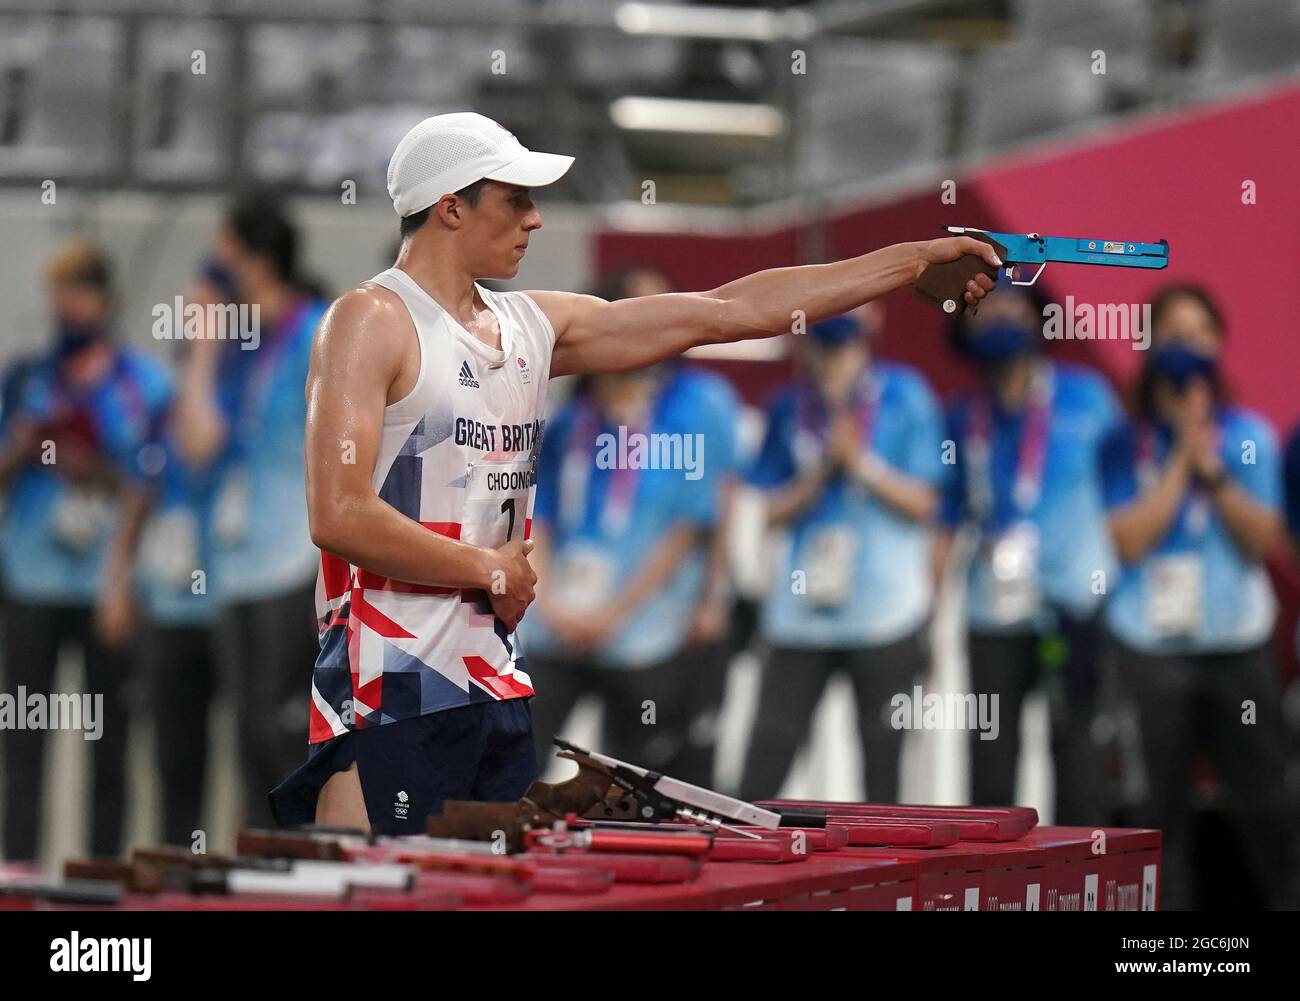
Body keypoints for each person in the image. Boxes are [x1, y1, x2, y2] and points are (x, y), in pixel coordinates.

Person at [267, 111, 999, 834]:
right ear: (451, 206)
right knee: (378, 889)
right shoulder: (371, 318)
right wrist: (487, 568)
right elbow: (339, 511)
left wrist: (906, 264)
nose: (536, 219)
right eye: (516, 199)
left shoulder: (531, 326)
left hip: (493, 678)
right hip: (388, 683)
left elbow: (726, 310)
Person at [1100, 283, 1290, 909]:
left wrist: (1213, 469)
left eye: (1200, 333)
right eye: (1173, 333)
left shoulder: (1249, 435)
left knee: (1266, 802)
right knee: (1161, 814)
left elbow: (1259, 538)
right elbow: (1128, 541)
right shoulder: (1123, 441)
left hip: (1237, 646)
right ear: (1151, 346)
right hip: (1151, 649)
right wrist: (1182, 454)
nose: (1187, 346)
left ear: (1220, 345)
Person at [0, 239, 170, 859]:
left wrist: (90, 464)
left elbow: (152, 484)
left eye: (80, 290)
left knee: (111, 744)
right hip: (30, 582)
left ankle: (99, 882)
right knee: (23, 744)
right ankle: (17, 875)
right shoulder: (25, 379)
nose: (67, 305)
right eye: (59, 291)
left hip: (106, 587)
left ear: (105, 299)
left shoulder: (143, 384)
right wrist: (27, 448)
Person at [738, 308, 944, 802]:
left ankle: (884, 873)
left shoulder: (905, 395)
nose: (834, 361)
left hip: (884, 612)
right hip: (800, 614)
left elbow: (928, 503)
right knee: (769, 750)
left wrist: (862, 465)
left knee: (882, 759)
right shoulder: (789, 405)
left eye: (845, 349)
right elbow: (764, 510)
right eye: (824, 348)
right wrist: (820, 469)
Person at [936, 283, 1121, 824]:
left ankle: (1083, 886)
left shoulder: (1088, 397)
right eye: (987, 308)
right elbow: (946, 515)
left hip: (1075, 607)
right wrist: (928, 613)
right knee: (991, 764)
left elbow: (1123, 498)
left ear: (1041, 322)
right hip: (993, 610)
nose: (1001, 316)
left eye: (1015, 307)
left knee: (1079, 753)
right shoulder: (962, 413)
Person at [172, 195, 328, 828]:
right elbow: (198, 444)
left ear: (258, 263)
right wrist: (202, 350)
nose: (211, 271)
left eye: (224, 255)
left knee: (282, 728)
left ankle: (307, 868)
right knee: (246, 737)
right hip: (233, 563)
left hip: (294, 560)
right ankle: (259, 875)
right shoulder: (234, 347)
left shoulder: (318, 330)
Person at [523, 363, 720, 773]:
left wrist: (612, 616)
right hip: (556, 628)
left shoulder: (677, 442)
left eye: (641, 377)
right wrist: (550, 605)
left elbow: (680, 538)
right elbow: (536, 518)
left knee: (629, 778)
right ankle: (504, 834)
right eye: (618, 374)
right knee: (521, 755)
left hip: (638, 635)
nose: (630, 387)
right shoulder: (568, 428)